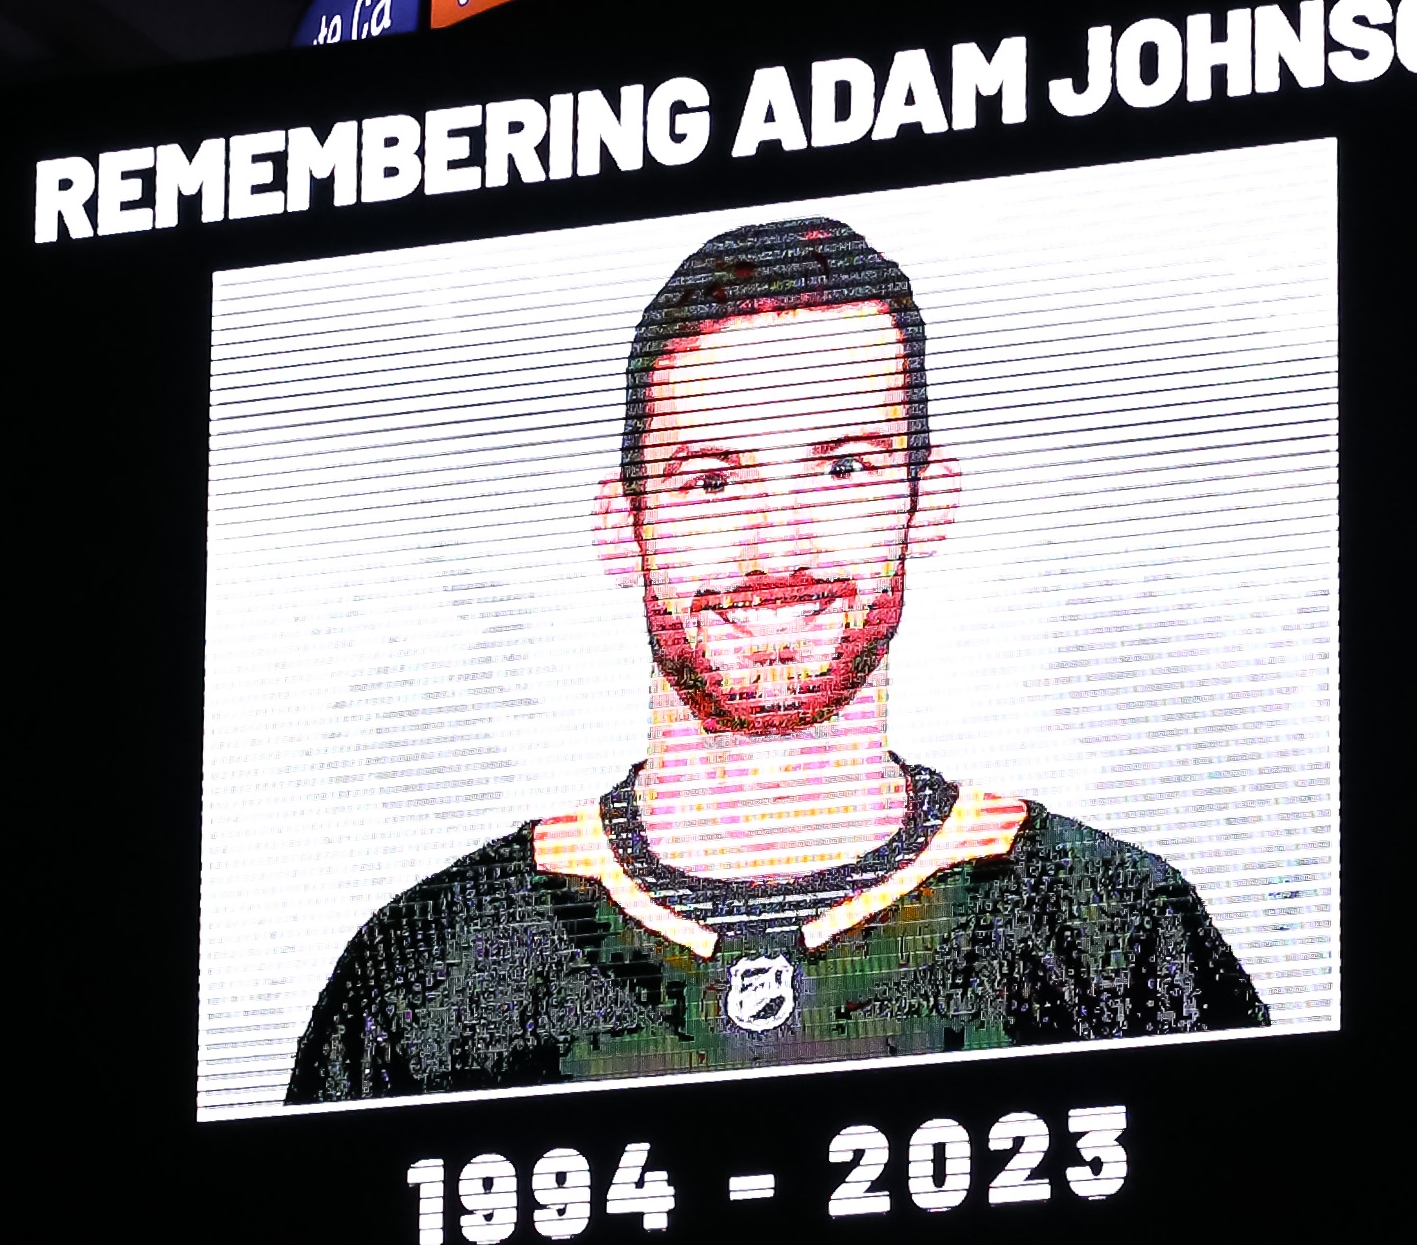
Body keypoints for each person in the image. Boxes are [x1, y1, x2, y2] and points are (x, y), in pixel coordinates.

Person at [288, 214, 1264, 1100]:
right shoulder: (425, 970)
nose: (775, 551)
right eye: (711, 480)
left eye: (843, 468)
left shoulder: (1116, 930)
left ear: (931, 502)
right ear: (618, 528)